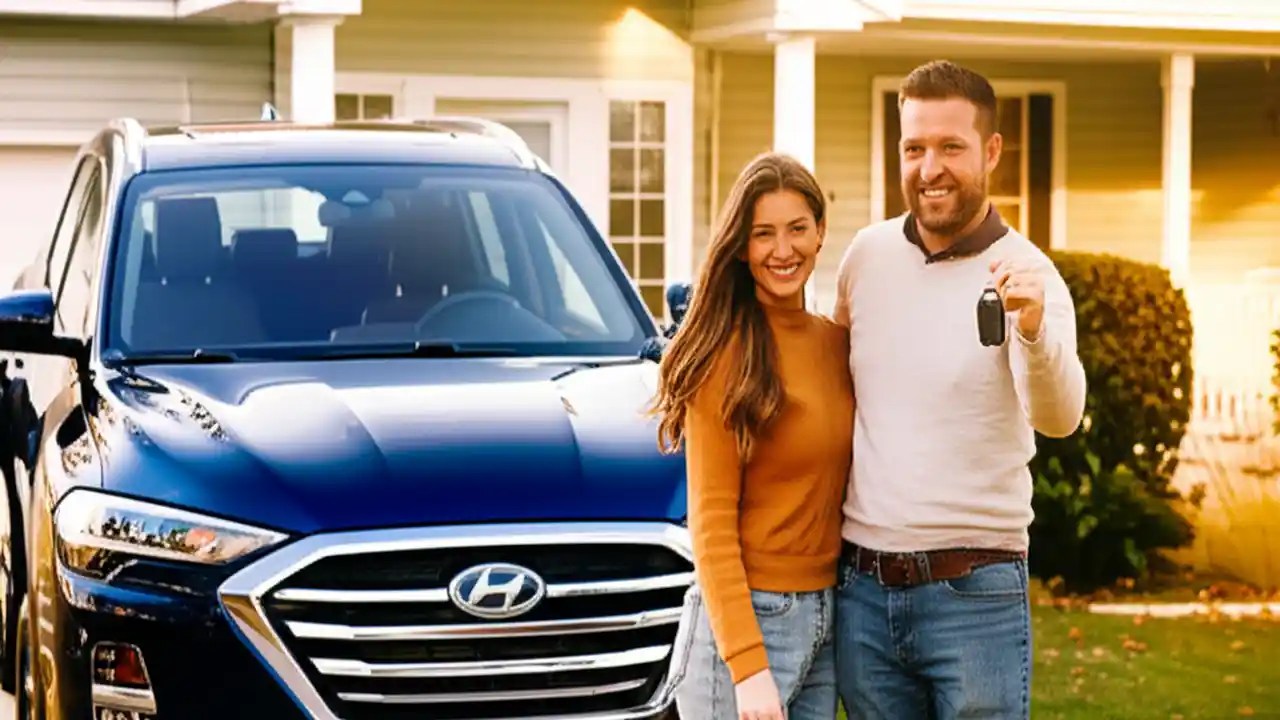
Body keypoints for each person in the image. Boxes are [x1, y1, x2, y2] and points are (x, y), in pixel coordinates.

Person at [830, 60, 1087, 719]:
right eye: (914, 148)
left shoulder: (1030, 275)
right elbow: (829, 387)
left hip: (976, 594)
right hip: (864, 591)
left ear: (991, 151)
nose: (929, 167)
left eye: (951, 147)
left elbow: (1060, 418)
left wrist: (1030, 329)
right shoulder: (866, 257)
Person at [652, 152, 853, 720]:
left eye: (797, 229)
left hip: (825, 617)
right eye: (763, 234)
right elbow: (711, 525)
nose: (782, 250)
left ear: (820, 234)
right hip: (743, 628)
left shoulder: (835, 345)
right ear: (741, 247)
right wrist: (748, 666)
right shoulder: (723, 356)